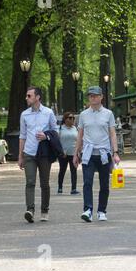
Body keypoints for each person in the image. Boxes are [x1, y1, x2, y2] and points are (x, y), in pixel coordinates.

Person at [73, 86, 121, 222]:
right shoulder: (83, 115)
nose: (92, 98)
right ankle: (87, 210)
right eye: (90, 96)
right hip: (88, 153)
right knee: (87, 182)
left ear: (101, 97)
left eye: (95, 95)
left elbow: (112, 134)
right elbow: (80, 135)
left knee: (104, 184)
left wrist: (115, 152)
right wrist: (76, 153)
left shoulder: (108, 114)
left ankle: (101, 210)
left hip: (104, 153)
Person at [18, 87, 58, 223]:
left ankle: (45, 210)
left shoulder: (48, 112)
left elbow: (55, 130)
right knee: (30, 182)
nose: (26, 98)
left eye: (29, 96)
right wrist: (20, 156)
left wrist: (46, 135)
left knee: (44, 183)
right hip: (29, 153)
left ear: (37, 97)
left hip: (44, 153)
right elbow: (22, 136)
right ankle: (30, 210)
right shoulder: (24, 114)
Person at [58, 112, 80, 195]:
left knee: (73, 171)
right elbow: (57, 141)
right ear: (65, 119)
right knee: (62, 170)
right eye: (70, 118)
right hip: (63, 154)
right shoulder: (60, 128)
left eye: (73, 118)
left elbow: (78, 141)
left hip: (73, 154)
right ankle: (60, 187)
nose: (72, 120)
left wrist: (78, 153)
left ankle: (73, 189)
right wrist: (60, 151)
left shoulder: (75, 128)